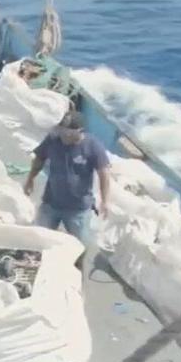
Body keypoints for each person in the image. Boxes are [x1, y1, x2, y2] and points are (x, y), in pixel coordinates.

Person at [23, 110, 111, 276]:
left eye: (68, 131)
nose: (63, 133)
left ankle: (77, 281)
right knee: (38, 242)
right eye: (61, 129)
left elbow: (104, 173)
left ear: (79, 131)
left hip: (78, 209)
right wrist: (30, 179)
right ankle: (36, 275)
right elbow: (39, 159)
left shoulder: (92, 146)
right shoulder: (53, 140)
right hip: (51, 203)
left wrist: (105, 201)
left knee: (79, 249)